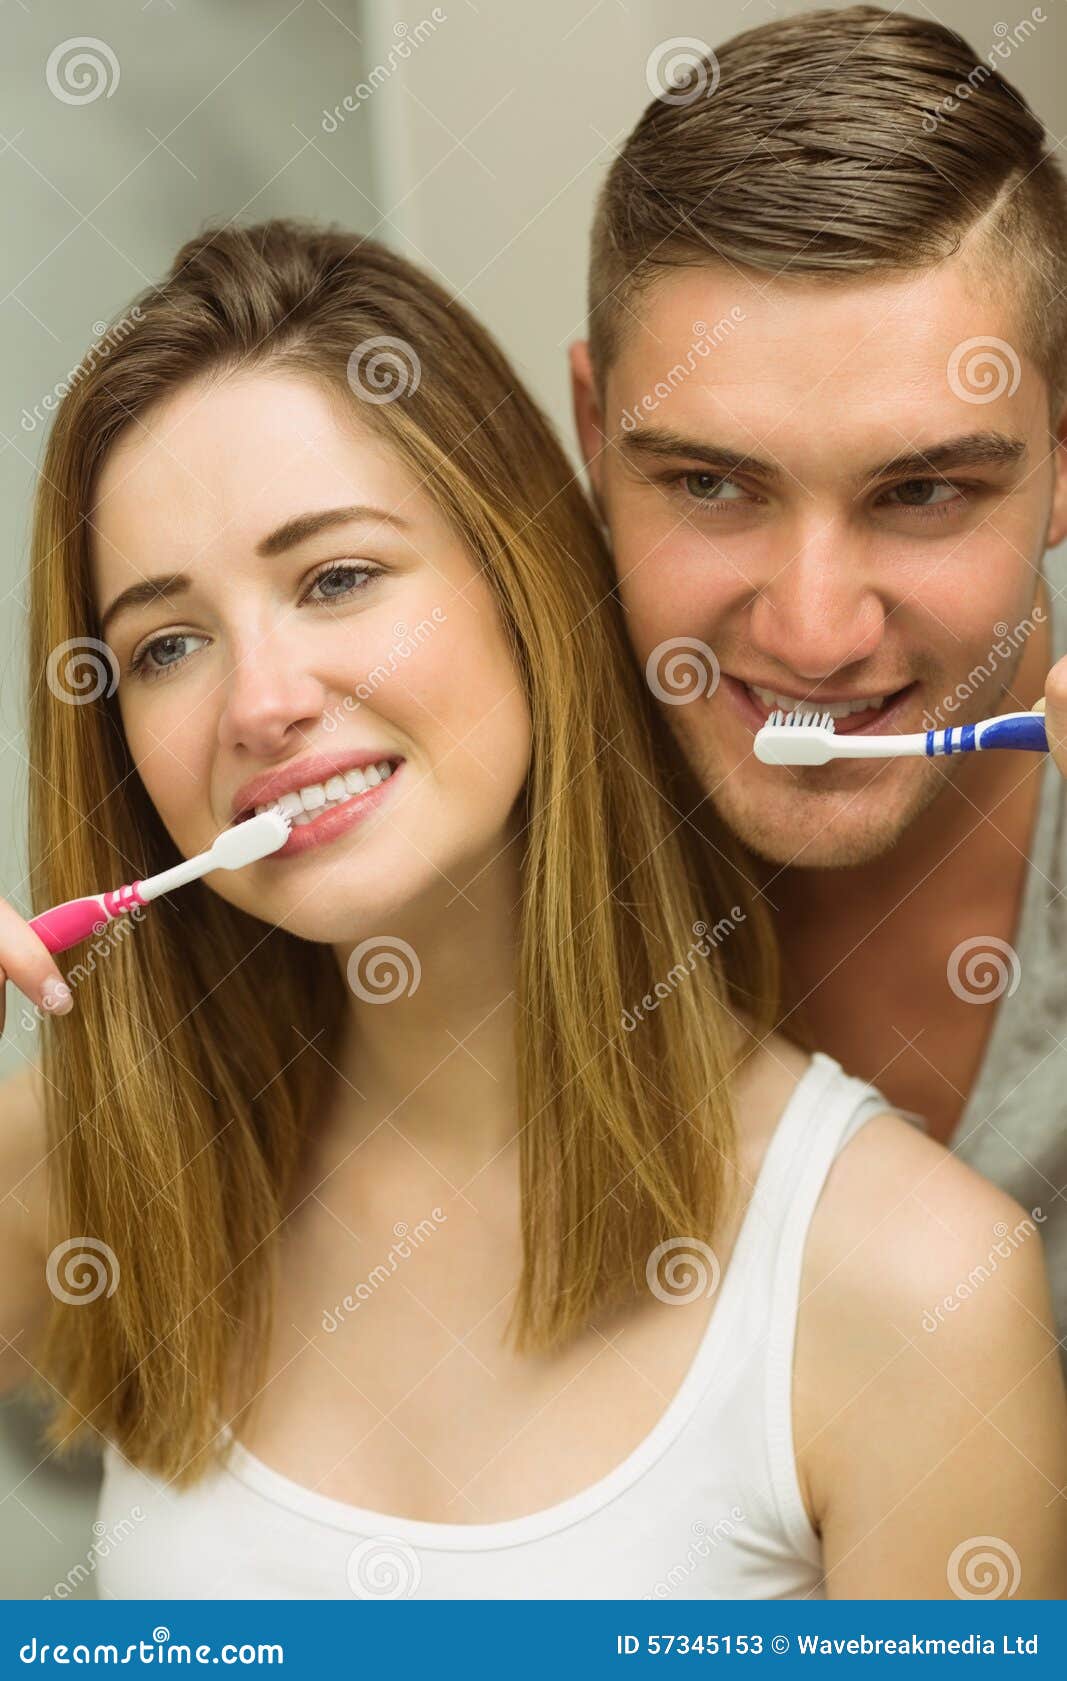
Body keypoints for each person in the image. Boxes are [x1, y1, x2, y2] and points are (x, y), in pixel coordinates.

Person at [0, 219, 1063, 1600]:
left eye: (337, 577)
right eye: (168, 644)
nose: (260, 701)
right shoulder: (77, 1171)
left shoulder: (921, 1284)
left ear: (529, 583)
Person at [570, 3, 1067, 1360]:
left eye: (920, 491)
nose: (814, 631)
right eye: (712, 484)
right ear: (591, 436)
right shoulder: (478, 828)